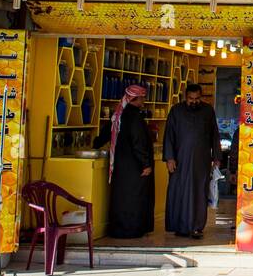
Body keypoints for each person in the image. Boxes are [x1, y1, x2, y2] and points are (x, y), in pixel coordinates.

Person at [93, 84, 155, 239]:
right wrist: (145, 163)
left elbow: (105, 134)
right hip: (134, 167)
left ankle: (118, 228)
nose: (144, 100)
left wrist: (94, 145)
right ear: (138, 98)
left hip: (120, 165)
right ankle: (131, 230)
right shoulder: (135, 117)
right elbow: (138, 142)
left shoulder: (119, 115)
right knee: (134, 199)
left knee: (121, 198)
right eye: (142, 97)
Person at [163, 82, 221, 238]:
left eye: (197, 98)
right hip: (180, 160)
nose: (194, 101)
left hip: (201, 161)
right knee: (178, 192)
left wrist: (216, 157)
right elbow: (169, 136)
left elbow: (215, 135)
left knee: (199, 193)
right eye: (190, 98)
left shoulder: (208, 111)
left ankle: (196, 227)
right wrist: (169, 158)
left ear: (200, 97)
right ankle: (180, 226)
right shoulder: (176, 111)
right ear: (185, 97)